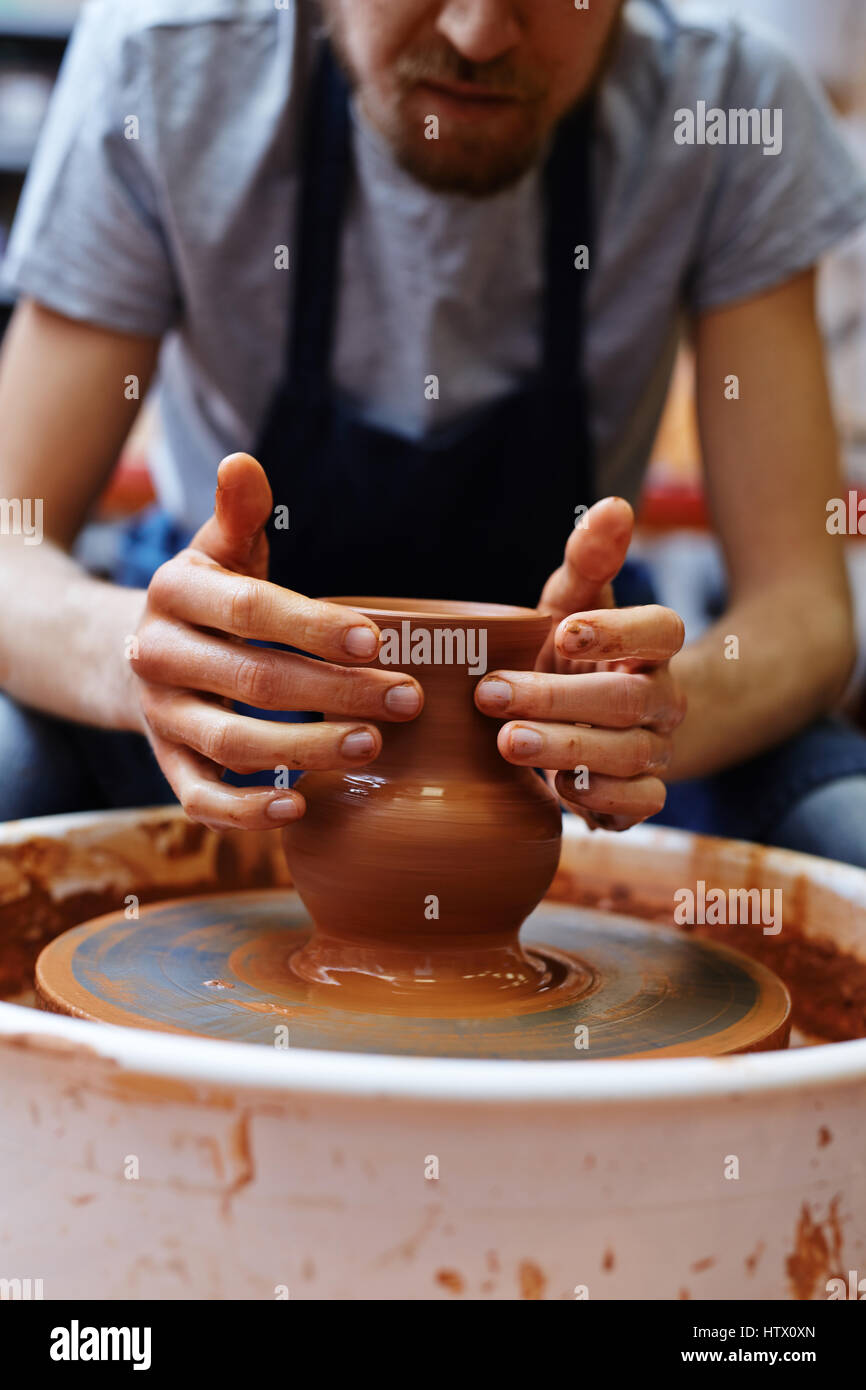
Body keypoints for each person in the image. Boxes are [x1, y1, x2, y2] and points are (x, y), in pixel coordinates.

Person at [1, 0, 866, 864]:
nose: (478, 34)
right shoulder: (166, 66)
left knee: (843, 829)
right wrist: (138, 660)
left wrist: (646, 724)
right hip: (223, 689)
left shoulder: (728, 104)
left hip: (558, 690)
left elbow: (804, 612)